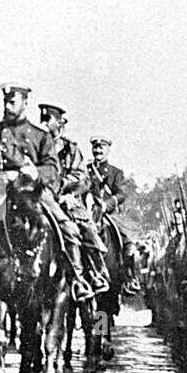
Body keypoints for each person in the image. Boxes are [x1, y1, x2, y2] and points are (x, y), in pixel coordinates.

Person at [0, 81, 94, 301]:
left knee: (67, 227)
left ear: (24, 103)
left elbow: (53, 168)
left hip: (34, 193)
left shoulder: (40, 135)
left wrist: (36, 173)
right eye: (5, 101)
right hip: (0, 190)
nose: (7, 106)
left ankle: (78, 278)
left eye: (12, 102)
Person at [38, 103, 110, 296]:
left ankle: (86, 277)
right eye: (42, 120)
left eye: (48, 120)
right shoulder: (33, 144)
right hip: (37, 197)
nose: (43, 124)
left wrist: (64, 188)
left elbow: (82, 177)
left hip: (64, 198)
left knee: (80, 229)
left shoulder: (70, 148)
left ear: (59, 125)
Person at [87, 137, 142, 294]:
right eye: (95, 148)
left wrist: (106, 204)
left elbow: (122, 193)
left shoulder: (115, 172)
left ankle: (129, 276)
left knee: (127, 239)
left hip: (109, 214)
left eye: (101, 148)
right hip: (88, 210)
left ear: (108, 150)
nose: (98, 151)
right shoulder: (86, 171)